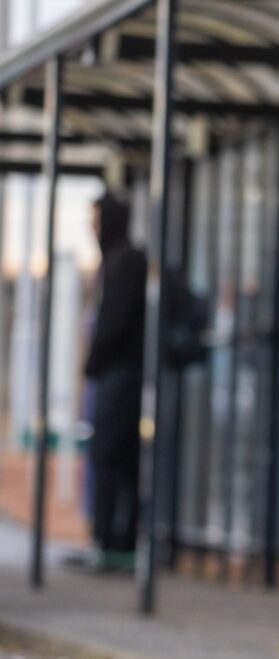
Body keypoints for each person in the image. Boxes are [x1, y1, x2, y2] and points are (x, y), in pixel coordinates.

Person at [70, 192, 146, 574]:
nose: (92, 229)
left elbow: (114, 324)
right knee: (115, 457)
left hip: (122, 375)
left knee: (111, 455)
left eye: (97, 221)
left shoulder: (126, 262)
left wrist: (93, 363)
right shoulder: (115, 261)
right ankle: (110, 540)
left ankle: (111, 543)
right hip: (117, 374)